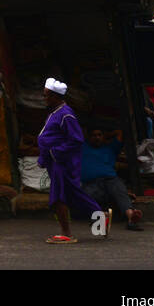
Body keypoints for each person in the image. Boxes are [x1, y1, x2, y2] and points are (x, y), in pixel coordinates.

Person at [36, 78, 106, 243]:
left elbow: (76, 139)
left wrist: (55, 153)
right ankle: (101, 218)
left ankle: (66, 233)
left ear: (55, 96)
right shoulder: (56, 113)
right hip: (55, 163)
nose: (44, 98)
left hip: (62, 164)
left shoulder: (66, 114)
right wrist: (44, 157)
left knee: (58, 198)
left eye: (47, 95)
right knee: (74, 195)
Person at [82, 126, 143, 231]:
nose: (97, 138)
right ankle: (99, 218)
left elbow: (119, 132)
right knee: (85, 195)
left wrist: (106, 136)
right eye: (94, 136)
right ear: (88, 137)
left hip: (110, 181)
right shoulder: (83, 147)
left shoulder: (110, 148)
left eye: (99, 135)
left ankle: (131, 217)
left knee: (119, 190)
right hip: (91, 184)